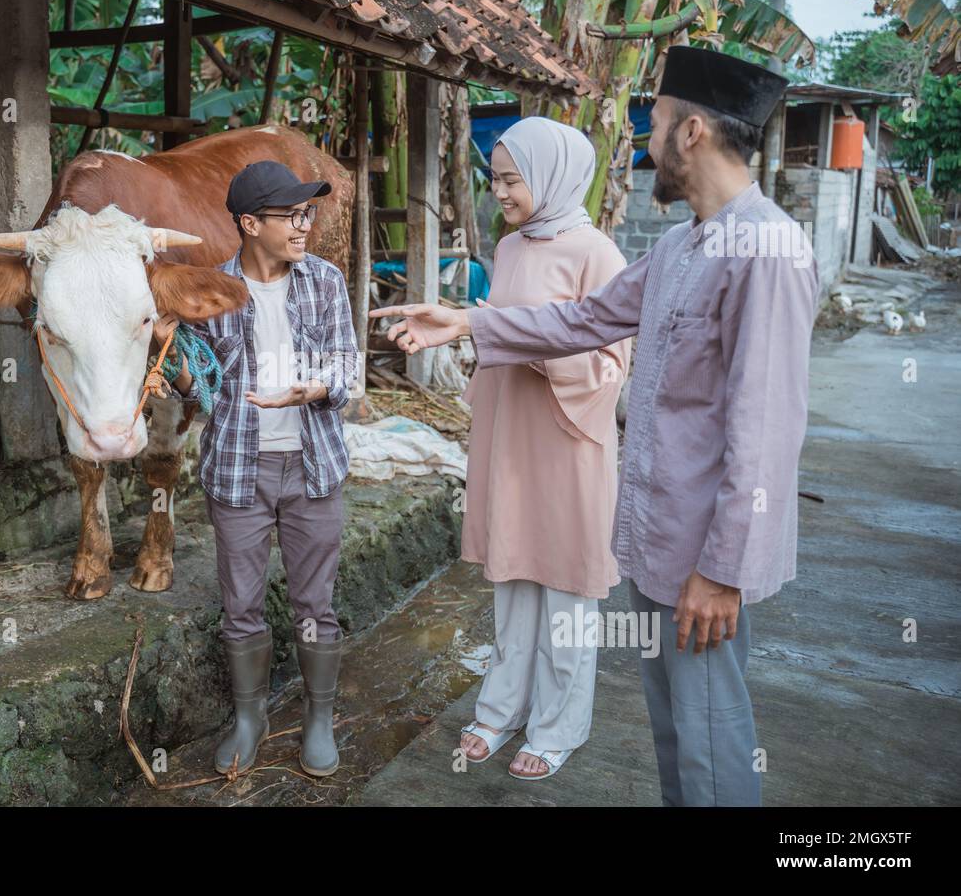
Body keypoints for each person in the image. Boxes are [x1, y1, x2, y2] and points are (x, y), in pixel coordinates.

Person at [373, 47, 817, 806]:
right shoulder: (681, 245)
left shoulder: (763, 249)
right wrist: (465, 320)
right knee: (678, 732)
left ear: (693, 133)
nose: (644, 144)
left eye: (658, 125)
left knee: (712, 740)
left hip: (706, 557)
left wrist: (725, 569)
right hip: (654, 535)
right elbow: (585, 318)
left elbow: (766, 426)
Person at [168, 160, 360, 779]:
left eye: (308, 213)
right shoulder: (207, 290)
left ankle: (318, 718)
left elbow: (349, 373)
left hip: (311, 466)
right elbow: (197, 389)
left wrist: (315, 389)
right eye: (291, 216)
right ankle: (249, 718)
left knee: (314, 603)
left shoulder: (325, 282)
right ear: (250, 224)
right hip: (237, 471)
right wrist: (176, 365)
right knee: (241, 605)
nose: (304, 226)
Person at [457, 117, 631, 780]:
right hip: (511, 438)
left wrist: (543, 356)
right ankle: (500, 710)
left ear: (554, 175)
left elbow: (611, 366)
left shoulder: (597, 254)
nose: (500, 191)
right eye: (495, 178)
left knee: (565, 589)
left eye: (511, 179)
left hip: (568, 442)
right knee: (512, 577)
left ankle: (558, 725)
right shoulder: (510, 247)